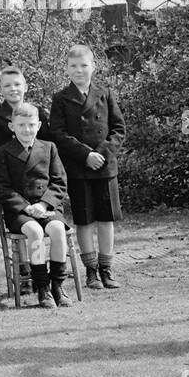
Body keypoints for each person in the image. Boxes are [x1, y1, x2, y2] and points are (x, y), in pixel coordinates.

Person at [48, 44, 125, 290]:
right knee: (84, 219)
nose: (79, 70)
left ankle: (107, 268)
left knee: (106, 219)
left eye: (84, 65)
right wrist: (86, 155)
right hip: (79, 167)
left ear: (93, 66)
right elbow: (58, 133)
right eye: (73, 66)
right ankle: (91, 271)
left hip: (105, 167)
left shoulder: (105, 93)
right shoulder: (60, 99)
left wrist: (101, 154)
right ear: (67, 69)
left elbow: (118, 129)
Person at [0, 102, 72, 309]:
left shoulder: (49, 147)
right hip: (20, 211)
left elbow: (59, 181)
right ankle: (42, 287)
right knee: (34, 231)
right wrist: (26, 207)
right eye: (21, 125)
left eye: (31, 125)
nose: (26, 130)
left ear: (38, 125)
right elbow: (1, 187)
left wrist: (45, 204)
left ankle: (58, 286)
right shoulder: (3, 152)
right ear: (12, 127)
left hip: (47, 206)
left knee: (57, 229)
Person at [0, 66, 51, 168]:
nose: (13, 89)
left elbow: (46, 142)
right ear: (0, 89)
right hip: (7, 169)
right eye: (7, 86)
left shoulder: (37, 112)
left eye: (17, 84)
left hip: (36, 166)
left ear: (25, 87)